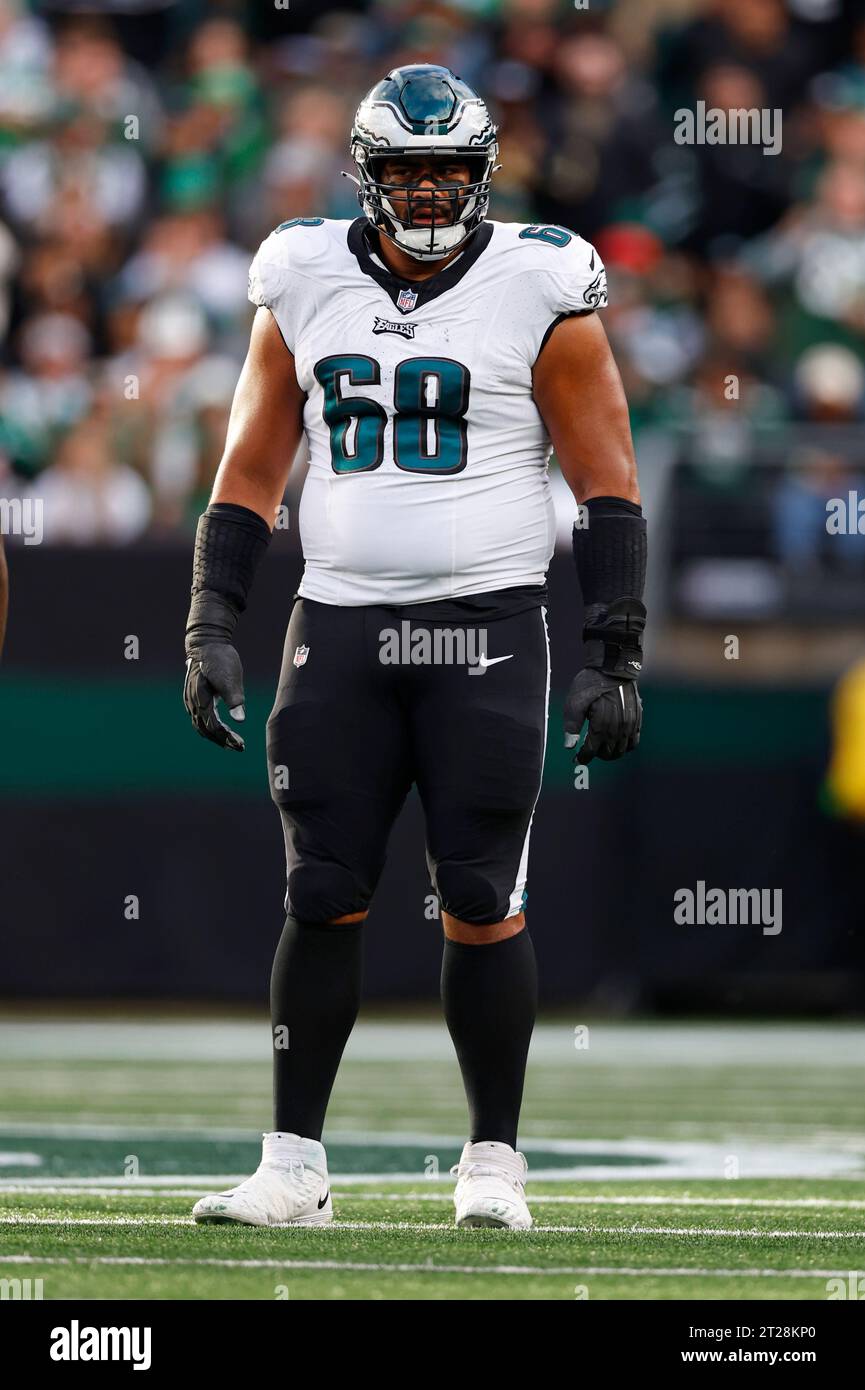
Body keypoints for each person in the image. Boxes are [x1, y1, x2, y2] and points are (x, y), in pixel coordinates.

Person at [183, 65, 645, 1230]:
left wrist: (614, 647)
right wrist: (210, 618)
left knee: (481, 898)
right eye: (407, 172)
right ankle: (292, 1163)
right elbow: (249, 468)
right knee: (320, 891)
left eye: (449, 170)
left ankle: (491, 1159)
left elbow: (605, 485)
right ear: (365, 177)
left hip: (485, 626)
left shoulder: (540, 280)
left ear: (484, 173)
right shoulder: (301, 272)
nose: (431, 192)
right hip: (337, 621)